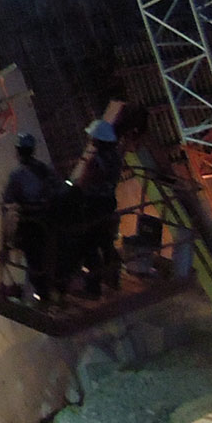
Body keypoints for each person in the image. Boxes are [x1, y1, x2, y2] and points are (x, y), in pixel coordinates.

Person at [3, 132, 59, 303]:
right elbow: (57, 189)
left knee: (34, 262)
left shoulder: (18, 175)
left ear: (19, 151)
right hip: (48, 222)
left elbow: (8, 199)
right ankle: (44, 291)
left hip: (30, 224)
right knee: (45, 258)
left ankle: (43, 296)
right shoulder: (45, 170)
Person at [77, 118, 123, 299]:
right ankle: (114, 279)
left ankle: (93, 288)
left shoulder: (96, 161)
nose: (91, 140)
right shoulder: (116, 158)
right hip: (108, 202)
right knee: (106, 243)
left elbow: (84, 182)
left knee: (89, 245)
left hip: (93, 205)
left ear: (98, 139)